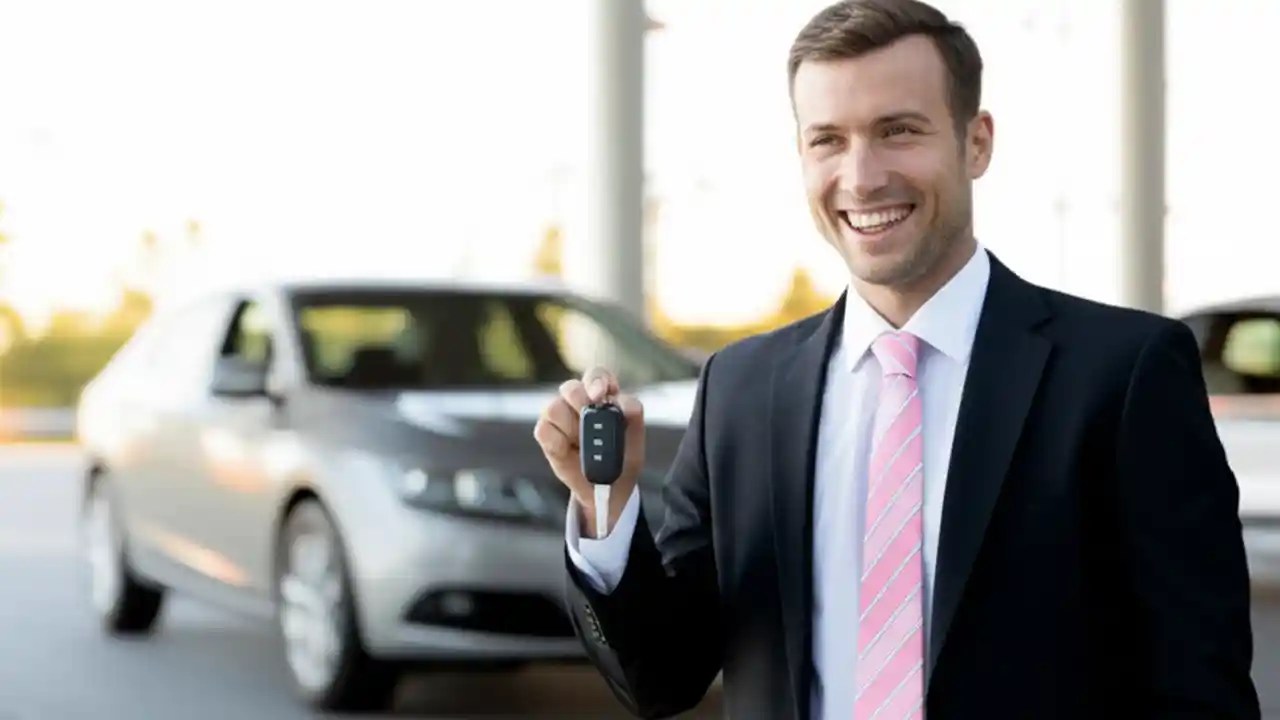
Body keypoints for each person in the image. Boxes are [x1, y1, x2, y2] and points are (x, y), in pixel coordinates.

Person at [533, 0, 1261, 717]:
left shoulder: (1123, 375)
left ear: (976, 143)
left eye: (898, 131)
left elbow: (1198, 688)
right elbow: (663, 678)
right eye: (828, 140)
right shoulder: (741, 391)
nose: (862, 175)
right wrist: (606, 505)